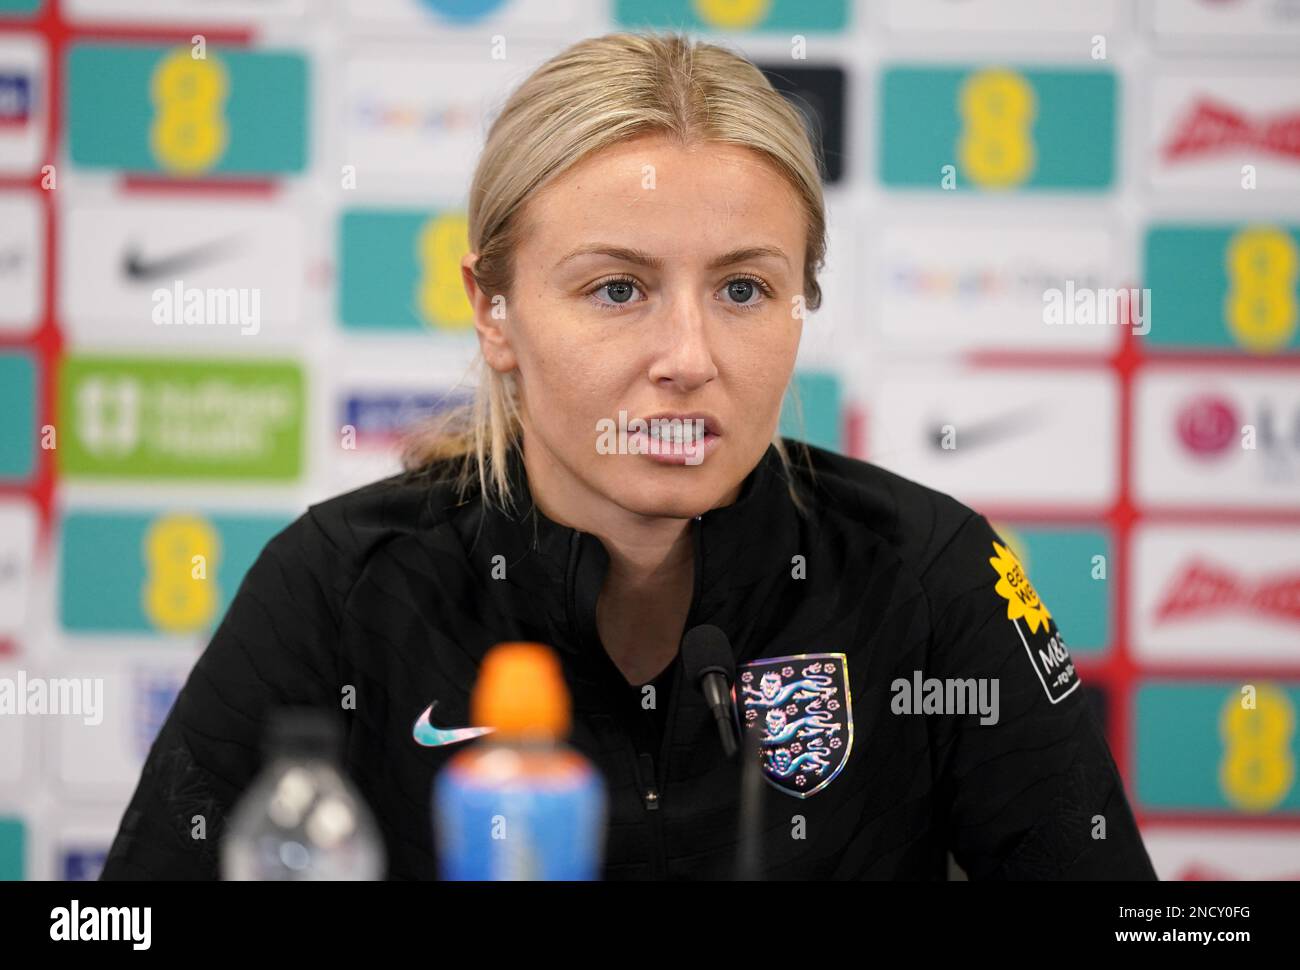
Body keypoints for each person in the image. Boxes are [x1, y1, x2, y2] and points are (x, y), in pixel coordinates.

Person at [100, 31, 1156, 880]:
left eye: (743, 289)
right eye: (617, 289)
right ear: (495, 310)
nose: (688, 360)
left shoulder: (927, 572)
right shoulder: (337, 586)